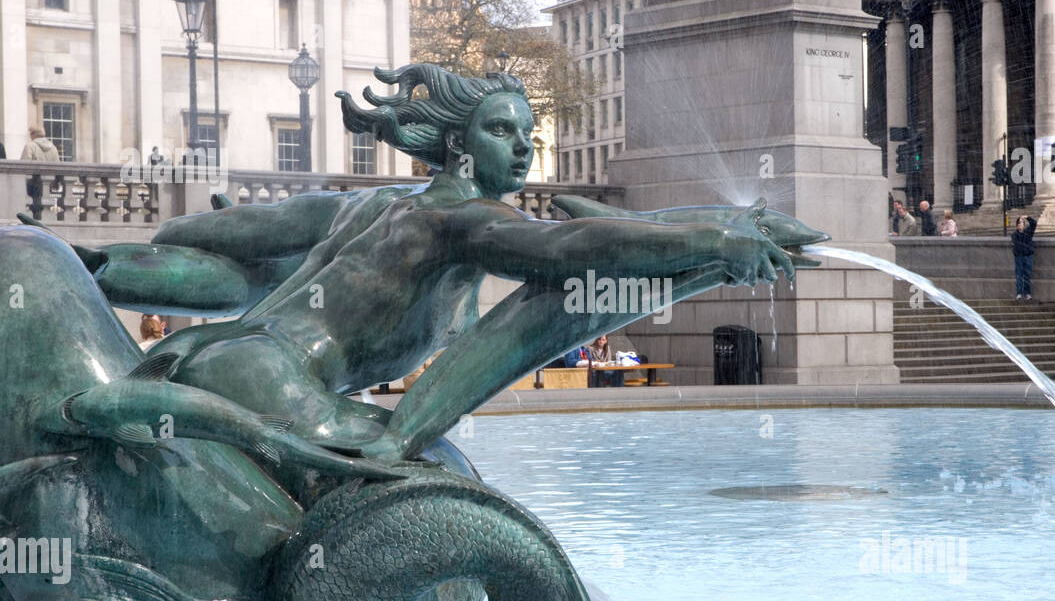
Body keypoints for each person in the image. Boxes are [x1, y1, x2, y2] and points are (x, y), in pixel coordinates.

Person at [66, 63, 802, 461]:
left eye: (529, 132)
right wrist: (713, 242)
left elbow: (215, 242)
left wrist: (99, 265)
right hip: (277, 388)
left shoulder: (364, 205)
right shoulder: (465, 222)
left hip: (207, 354)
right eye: (503, 131)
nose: (522, 146)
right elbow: (574, 250)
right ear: (458, 144)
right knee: (426, 478)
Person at [1011, 215, 1037, 301]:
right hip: (1019, 257)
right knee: (1019, 275)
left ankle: (1027, 293)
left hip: (1028, 256)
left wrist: (1027, 217)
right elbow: (1017, 244)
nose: (1020, 225)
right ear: (1017, 225)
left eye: (1021, 223)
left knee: (1027, 276)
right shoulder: (1015, 235)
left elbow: (1034, 223)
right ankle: (1019, 293)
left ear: (1024, 224)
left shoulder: (1028, 232)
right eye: (1018, 223)